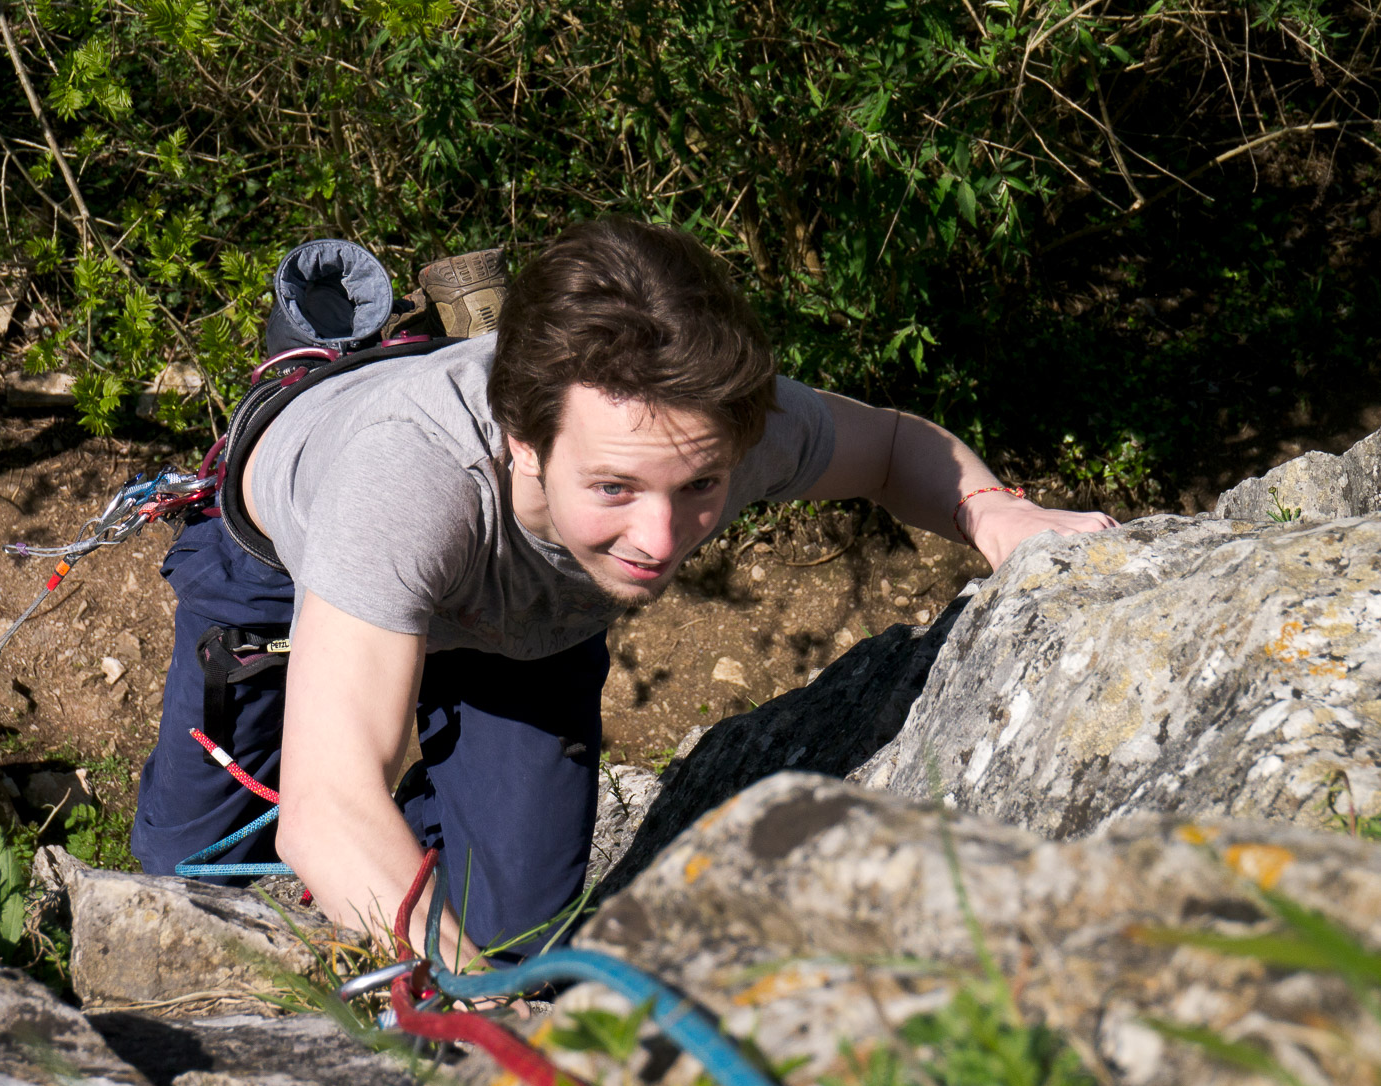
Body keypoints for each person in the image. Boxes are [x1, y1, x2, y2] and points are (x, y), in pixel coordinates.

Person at [130, 218, 1116, 965]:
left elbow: (897, 446)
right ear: (524, 437)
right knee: (190, 883)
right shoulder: (404, 483)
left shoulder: (717, 425)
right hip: (285, 565)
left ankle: (423, 796)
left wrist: (994, 513)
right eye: (615, 488)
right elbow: (325, 806)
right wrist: (493, 1039)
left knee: (514, 938)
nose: (659, 541)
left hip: (522, 625)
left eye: (698, 489)